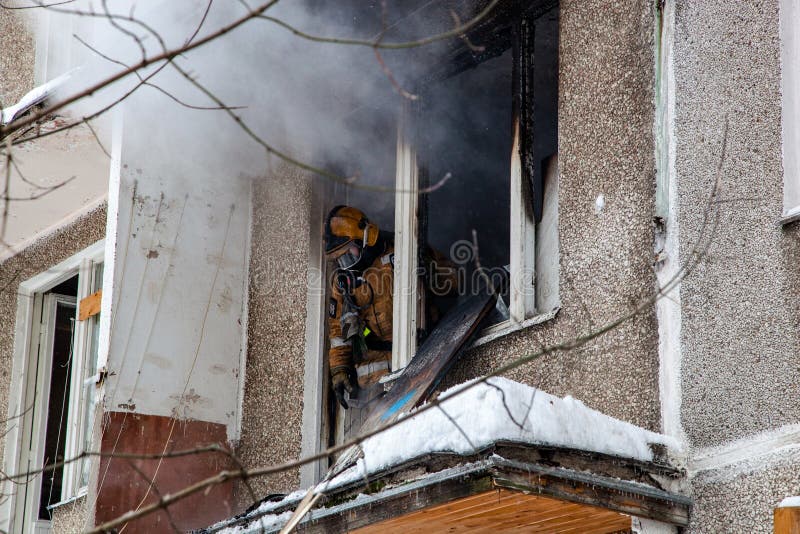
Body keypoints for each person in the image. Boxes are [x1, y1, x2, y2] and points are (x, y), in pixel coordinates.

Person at [324, 205, 456, 409]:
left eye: (348, 256)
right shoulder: (342, 281)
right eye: (339, 260)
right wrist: (340, 369)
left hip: (422, 358)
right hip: (375, 385)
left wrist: (431, 270)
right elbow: (338, 334)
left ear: (366, 238)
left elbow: (453, 282)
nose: (345, 264)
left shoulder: (403, 251)